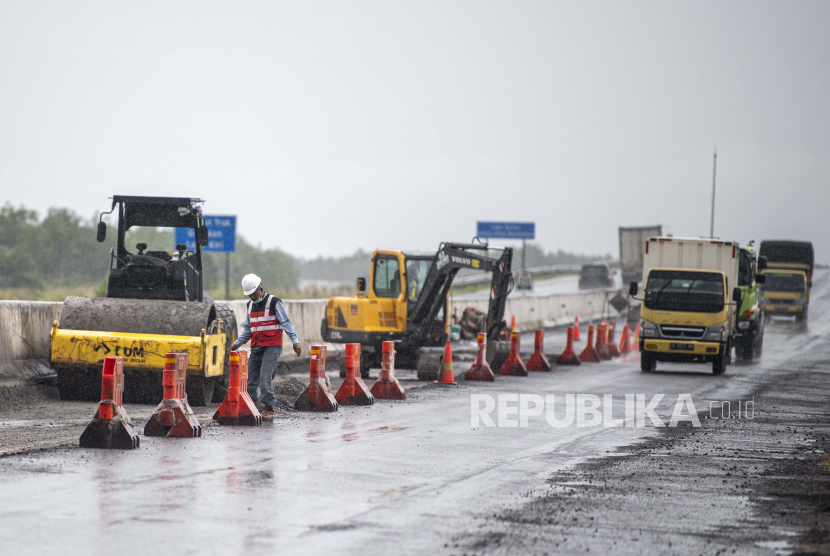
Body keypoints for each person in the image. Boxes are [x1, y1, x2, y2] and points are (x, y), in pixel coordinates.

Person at [230, 273, 302, 420]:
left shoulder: (274, 302)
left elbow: (286, 322)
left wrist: (295, 340)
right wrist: (236, 344)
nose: (252, 297)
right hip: (257, 346)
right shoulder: (250, 305)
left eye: (253, 293)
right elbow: (247, 330)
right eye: (249, 294)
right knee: (250, 379)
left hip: (272, 346)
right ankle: (252, 405)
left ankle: (269, 406)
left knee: (265, 378)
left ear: (260, 287)